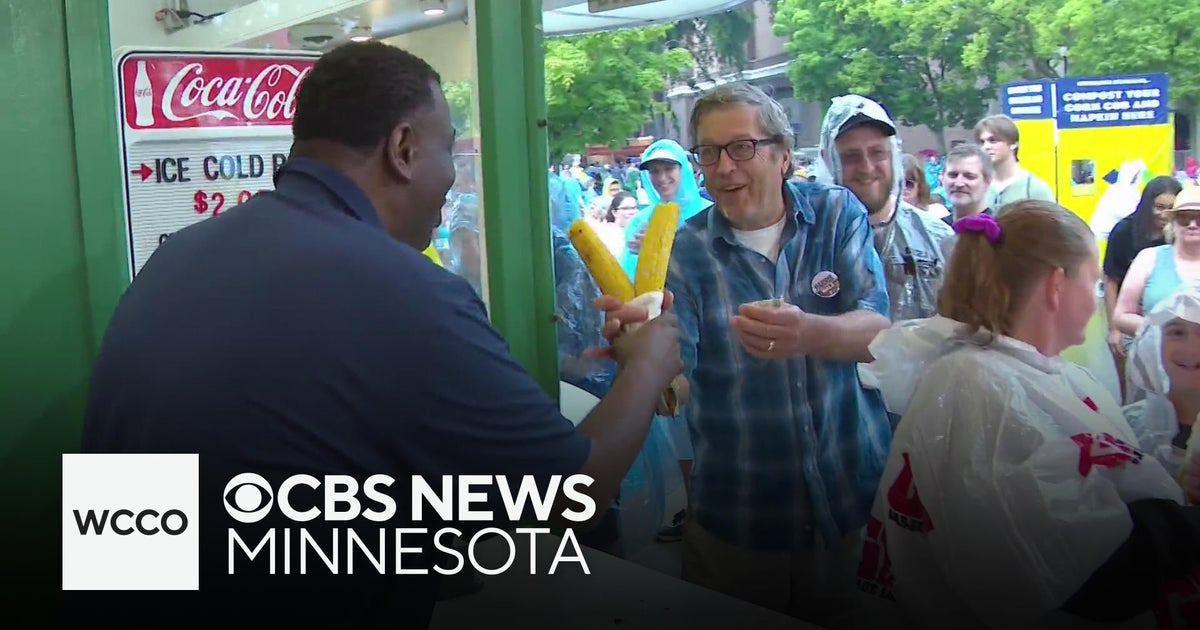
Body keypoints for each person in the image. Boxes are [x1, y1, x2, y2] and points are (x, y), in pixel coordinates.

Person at [71, 42, 682, 625]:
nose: (453, 179)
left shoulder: (176, 257)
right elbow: (570, 498)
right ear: (404, 148)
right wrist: (647, 363)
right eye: (449, 149)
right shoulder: (409, 292)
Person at [857, 201, 1200, 629]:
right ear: (1057, 285)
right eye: (1093, 283)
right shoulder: (986, 388)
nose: (1096, 301)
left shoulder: (1004, 375)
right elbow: (1088, 573)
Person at [653, 81, 892, 629]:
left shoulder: (837, 213)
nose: (724, 167)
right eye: (708, 152)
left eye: (742, 147)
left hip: (850, 500)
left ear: (784, 155)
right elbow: (678, 383)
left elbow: (877, 332)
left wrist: (809, 333)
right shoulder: (685, 250)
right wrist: (642, 363)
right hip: (739, 515)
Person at [818, 95, 955, 322]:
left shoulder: (937, 238)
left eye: (877, 153)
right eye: (851, 156)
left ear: (893, 155)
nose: (867, 167)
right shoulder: (807, 243)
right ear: (829, 160)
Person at [1103, 176, 1182, 401]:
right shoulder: (1124, 231)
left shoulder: (1178, 236)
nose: (1164, 214)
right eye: (1159, 207)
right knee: (1131, 388)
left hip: (1168, 326)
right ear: (1148, 205)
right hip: (1129, 319)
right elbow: (1111, 281)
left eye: (1171, 208)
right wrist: (1115, 329)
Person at [1114, 186, 1200, 389]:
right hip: (1153, 369)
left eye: (1199, 219)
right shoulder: (1149, 258)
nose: (1192, 225)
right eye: (1184, 218)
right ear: (1172, 223)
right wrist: (1162, 330)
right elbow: (1121, 316)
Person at [973, 114, 1054, 211]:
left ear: (1013, 144)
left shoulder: (1034, 187)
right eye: (982, 142)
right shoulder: (977, 185)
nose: (986, 147)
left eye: (993, 141)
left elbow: (1052, 220)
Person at [939, 143, 995, 226]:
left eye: (969, 177)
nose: (959, 184)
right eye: (953, 175)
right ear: (942, 178)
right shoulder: (934, 229)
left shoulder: (1002, 229)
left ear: (987, 182)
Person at [901, 153, 950, 220]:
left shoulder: (936, 212)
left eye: (908, 183)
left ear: (919, 184)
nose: (903, 188)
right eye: (898, 184)